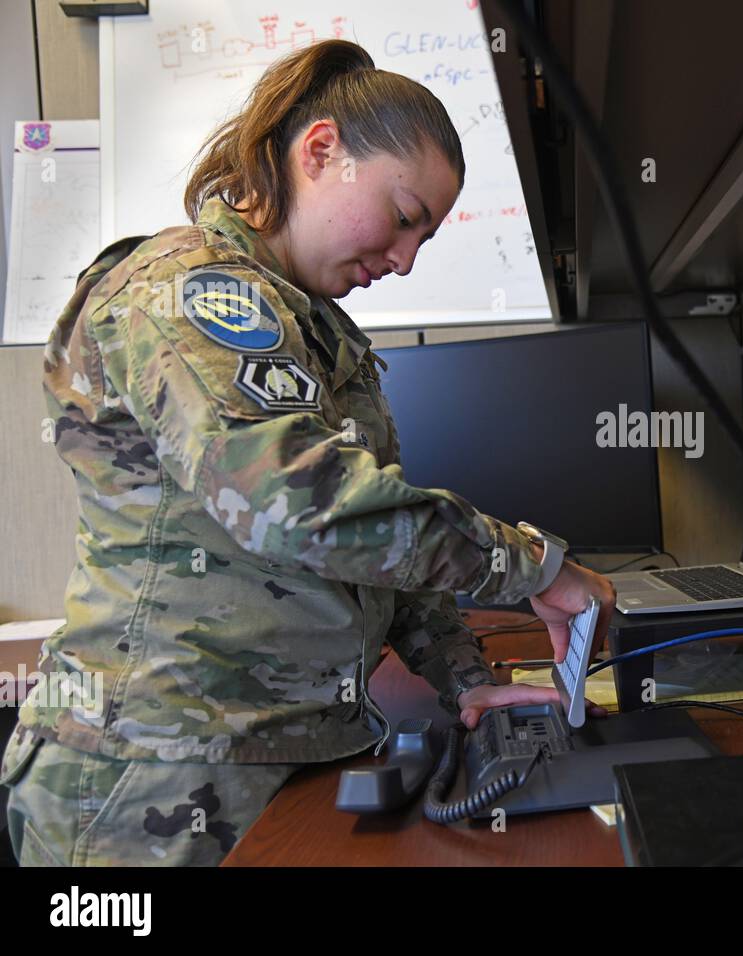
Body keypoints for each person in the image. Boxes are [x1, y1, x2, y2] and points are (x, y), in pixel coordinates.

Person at [0, 39, 615, 866]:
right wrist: (538, 565)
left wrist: (469, 687)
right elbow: (306, 508)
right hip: (148, 784)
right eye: (404, 219)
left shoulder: (316, 334)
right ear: (320, 150)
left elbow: (370, 559)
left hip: (280, 760)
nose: (402, 260)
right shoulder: (185, 291)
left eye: (422, 242)